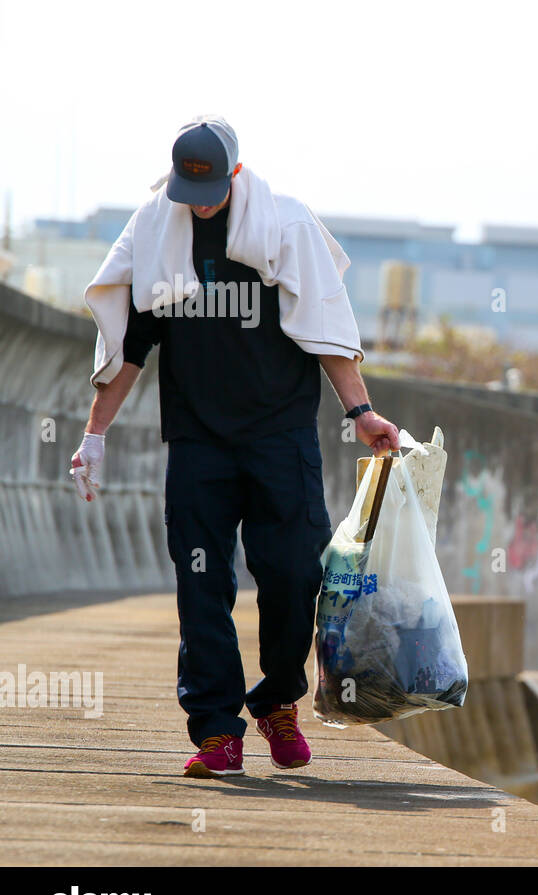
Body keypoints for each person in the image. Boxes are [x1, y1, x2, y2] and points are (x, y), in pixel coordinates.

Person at [72, 115, 399, 777]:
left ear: (236, 174)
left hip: (279, 437)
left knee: (292, 577)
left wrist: (360, 411)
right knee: (201, 585)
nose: (202, 204)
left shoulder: (286, 228)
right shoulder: (157, 232)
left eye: (214, 190)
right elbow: (132, 347)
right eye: (190, 193)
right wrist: (93, 434)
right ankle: (217, 732)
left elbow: (325, 327)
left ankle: (277, 699)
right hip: (198, 442)